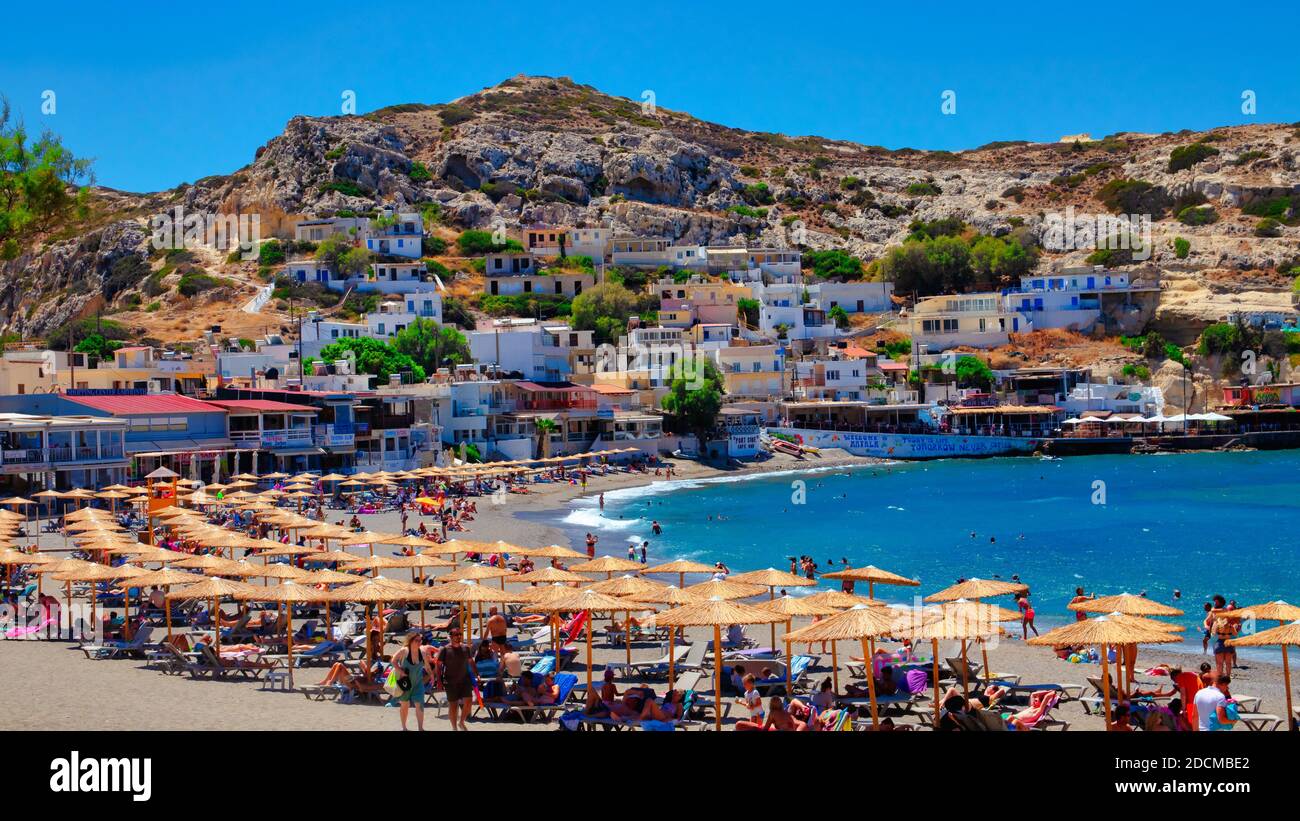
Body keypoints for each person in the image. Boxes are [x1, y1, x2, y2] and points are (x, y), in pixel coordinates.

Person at [390, 631, 434, 731]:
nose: (419, 642)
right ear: (410, 641)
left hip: (418, 683)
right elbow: (393, 660)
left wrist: (431, 675)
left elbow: (427, 666)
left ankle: (420, 728)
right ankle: (404, 727)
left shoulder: (422, 652)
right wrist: (400, 671)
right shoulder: (404, 651)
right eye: (416, 640)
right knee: (405, 705)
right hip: (405, 684)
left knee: (420, 704)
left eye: (420, 640)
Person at [436, 628, 474, 731]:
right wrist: (439, 681)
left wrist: (476, 674)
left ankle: (461, 722)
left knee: (469, 702)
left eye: (460, 635)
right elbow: (438, 665)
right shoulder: (445, 649)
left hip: (465, 679)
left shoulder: (466, 648)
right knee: (453, 705)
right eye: (456, 635)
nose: (458, 637)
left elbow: (471, 662)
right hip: (450, 681)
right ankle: (454, 728)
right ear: (451, 637)